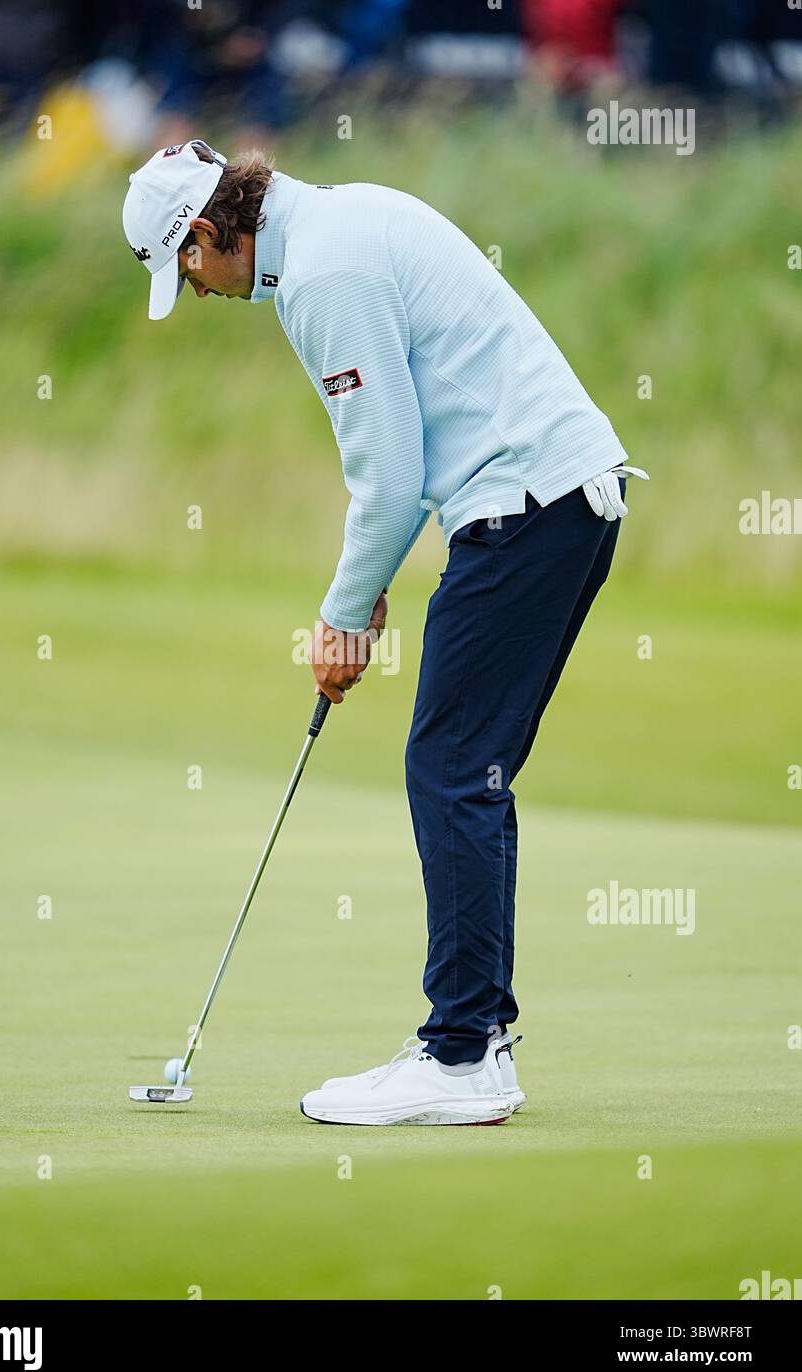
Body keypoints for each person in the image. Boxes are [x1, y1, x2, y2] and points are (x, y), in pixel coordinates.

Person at [122, 138, 647, 1126]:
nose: (190, 290)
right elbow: (401, 468)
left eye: (182, 269)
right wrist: (361, 599)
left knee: (450, 766)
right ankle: (469, 1040)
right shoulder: (340, 218)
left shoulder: (321, 273)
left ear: (204, 233)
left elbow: (387, 476)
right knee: (468, 767)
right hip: (555, 499)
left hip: (522, 507)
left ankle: (460, 1055)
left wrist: (337, 615)